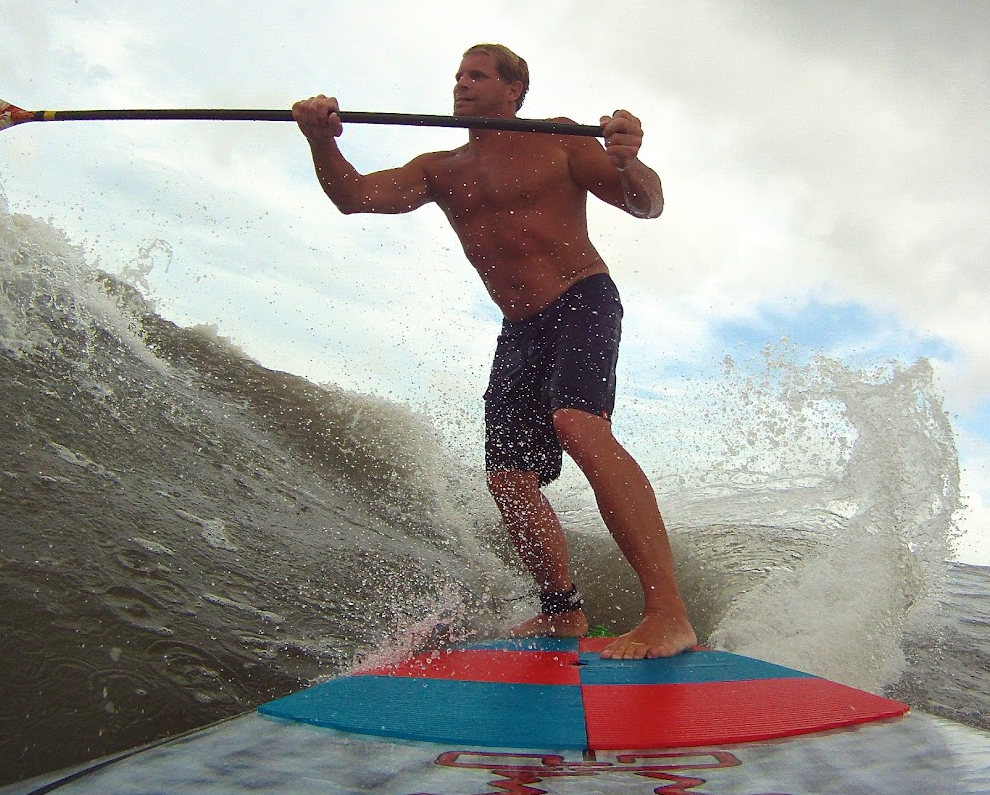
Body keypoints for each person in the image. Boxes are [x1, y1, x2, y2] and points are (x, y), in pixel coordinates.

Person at [292, 44, 697, 660]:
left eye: (476, 76)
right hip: (519, 328)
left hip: (581, 299)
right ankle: (564, 614)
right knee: (509, 479)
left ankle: (669, 614)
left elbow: (647, 203)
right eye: (457, 75)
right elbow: (355, 196)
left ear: (514, 90)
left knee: (579, 425)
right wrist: (322, 141)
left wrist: (629, 160)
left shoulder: (559, 139)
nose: (461, 85)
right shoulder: (440, 167)